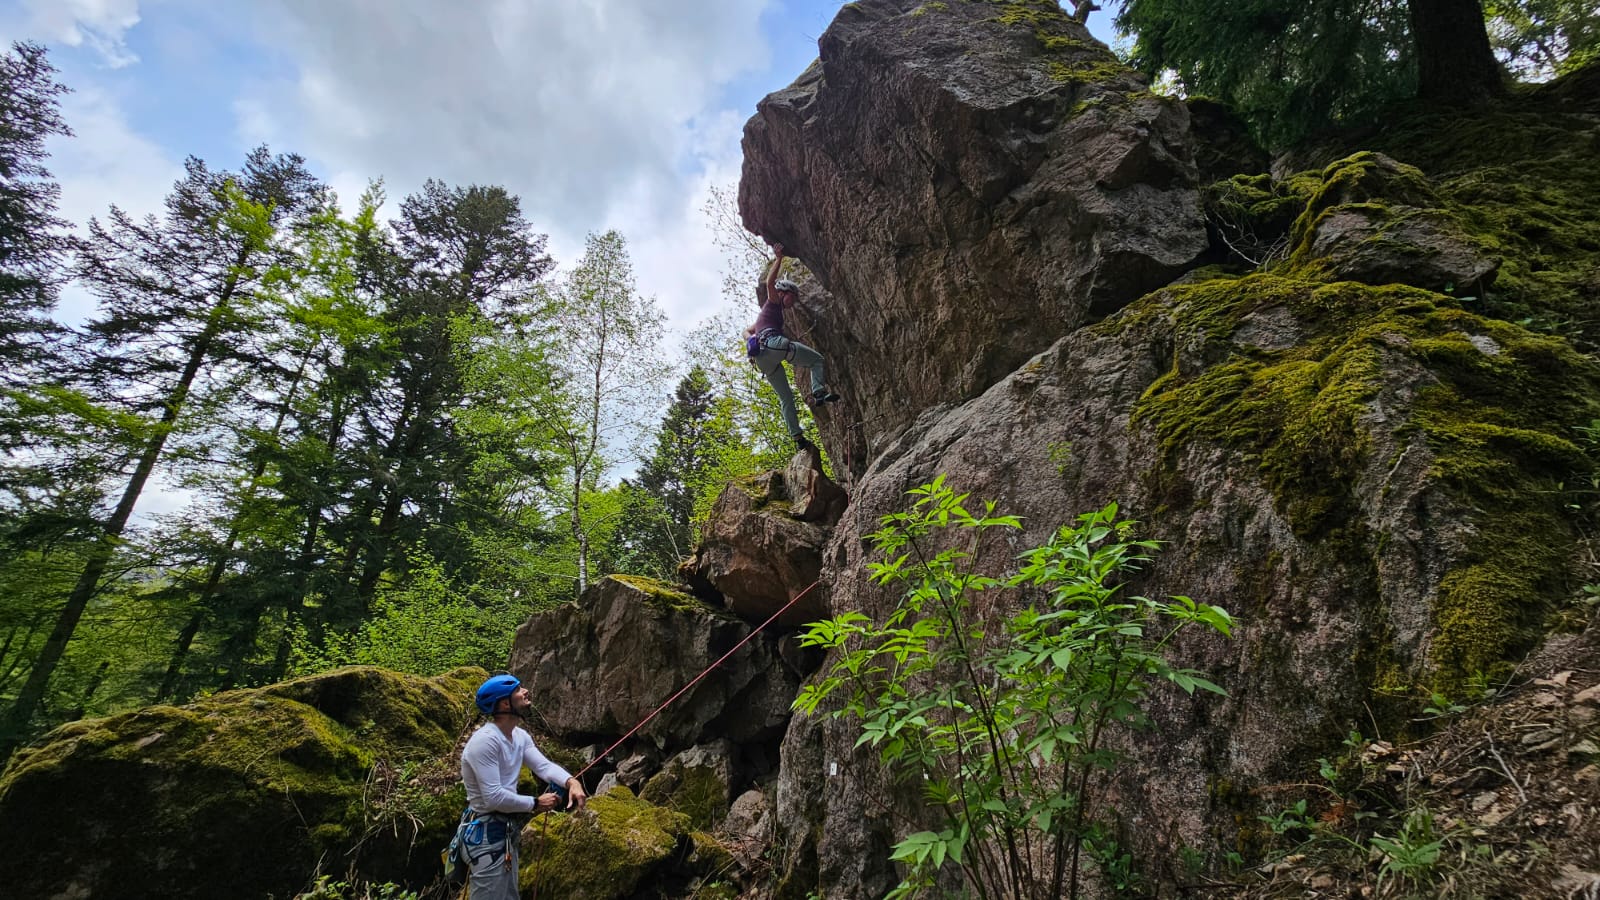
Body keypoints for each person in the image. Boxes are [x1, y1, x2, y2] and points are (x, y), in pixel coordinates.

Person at [457, 673, 588, 899]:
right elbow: (493, 797)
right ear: (505, 703)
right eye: (519, 690)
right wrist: (536, 803)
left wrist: (571, 781)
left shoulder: (518, 736)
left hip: (503, 834)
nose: (525, 692)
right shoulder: (485, 741)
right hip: (486, 838)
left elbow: (544, 767)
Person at [746, 242, 839, 452]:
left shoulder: (764, 316)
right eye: (792, 297)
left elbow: (747, 330)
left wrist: (749, 345)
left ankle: (797, 438)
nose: (793, 301)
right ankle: (818, 393)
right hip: (775, 345)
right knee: (817, 360)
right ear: (783, 293)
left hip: (763, 360)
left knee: (786, 398)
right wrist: (778, 258)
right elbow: (770, 282)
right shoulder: (773, 301)